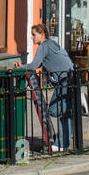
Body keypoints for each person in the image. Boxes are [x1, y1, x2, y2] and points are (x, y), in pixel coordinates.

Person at [14, 23, 76, 152]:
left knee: (55, 110)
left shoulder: (44, 46)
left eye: (34, 34)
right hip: (70, 77)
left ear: (42, 35)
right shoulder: (51, 44)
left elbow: (33, 65)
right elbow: (39, 64)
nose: (32, 37)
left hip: (63, 81)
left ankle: (61, 144)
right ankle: (63, 141)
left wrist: (20, 67)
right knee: (66, 112)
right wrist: (25, 65)